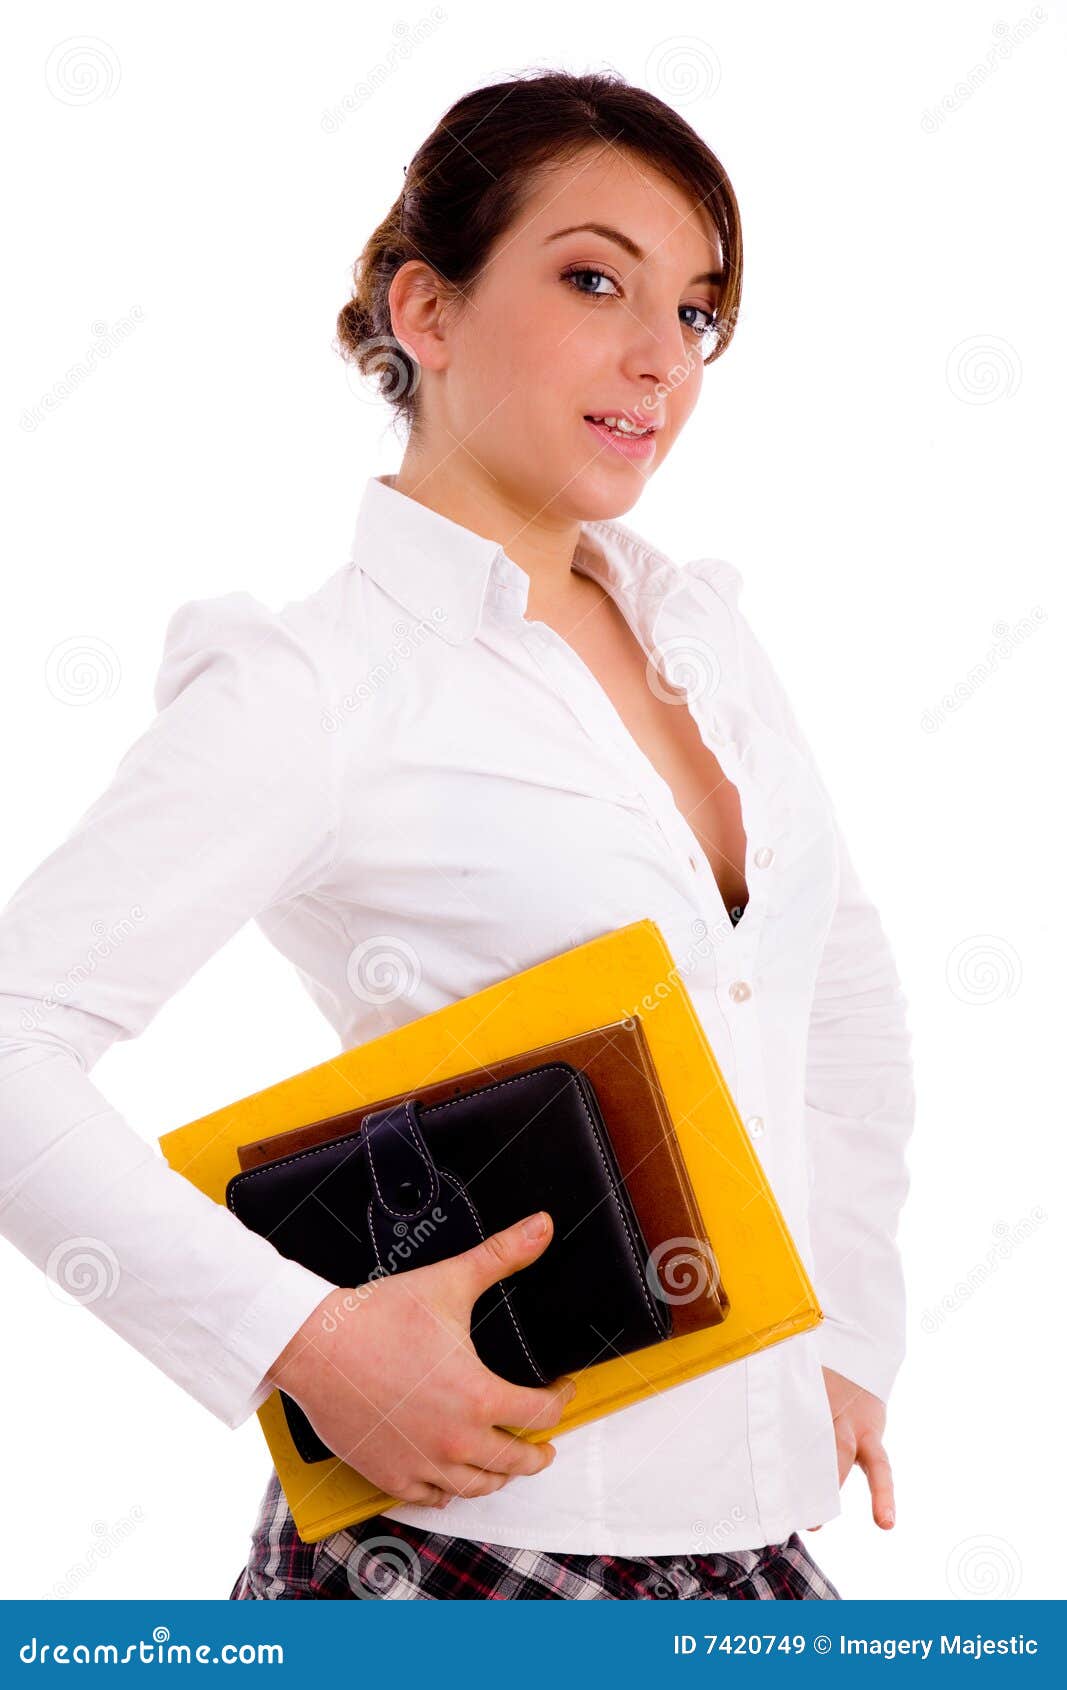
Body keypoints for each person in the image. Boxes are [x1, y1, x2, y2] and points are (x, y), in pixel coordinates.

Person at [0, 69, 915, 1601]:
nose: (660, 356)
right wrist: (304, 1341)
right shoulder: (314, 684)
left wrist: (848, 1336)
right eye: (594, 280)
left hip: (746, 1539)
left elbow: (842, 999)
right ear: (425, 310)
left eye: (697, 311)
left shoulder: (701, 639)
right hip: (458, 1546)